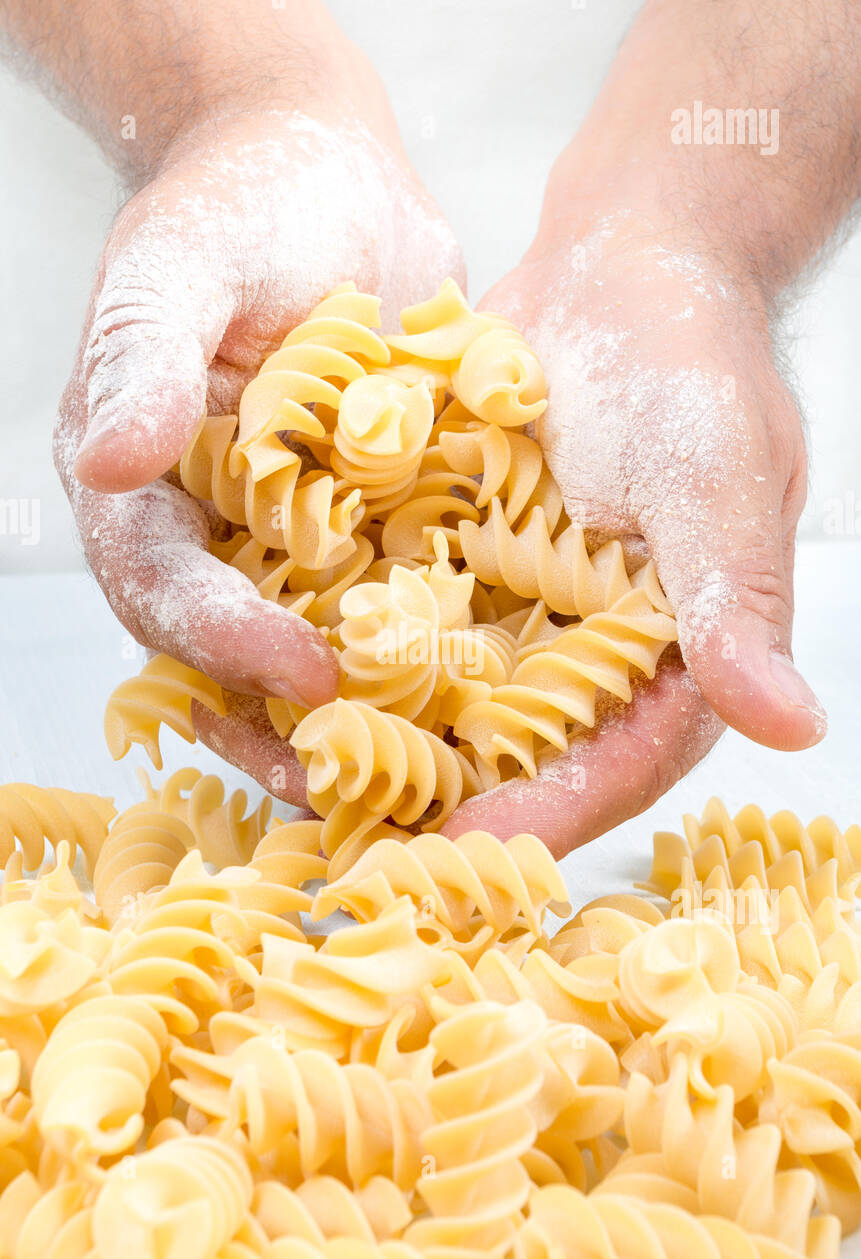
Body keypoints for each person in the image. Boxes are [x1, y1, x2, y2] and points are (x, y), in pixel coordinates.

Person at [2, 0, 857, 857]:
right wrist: (234, 102)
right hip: (217, 252)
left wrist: (697, 227)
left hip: (654, 340)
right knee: (157, 464)